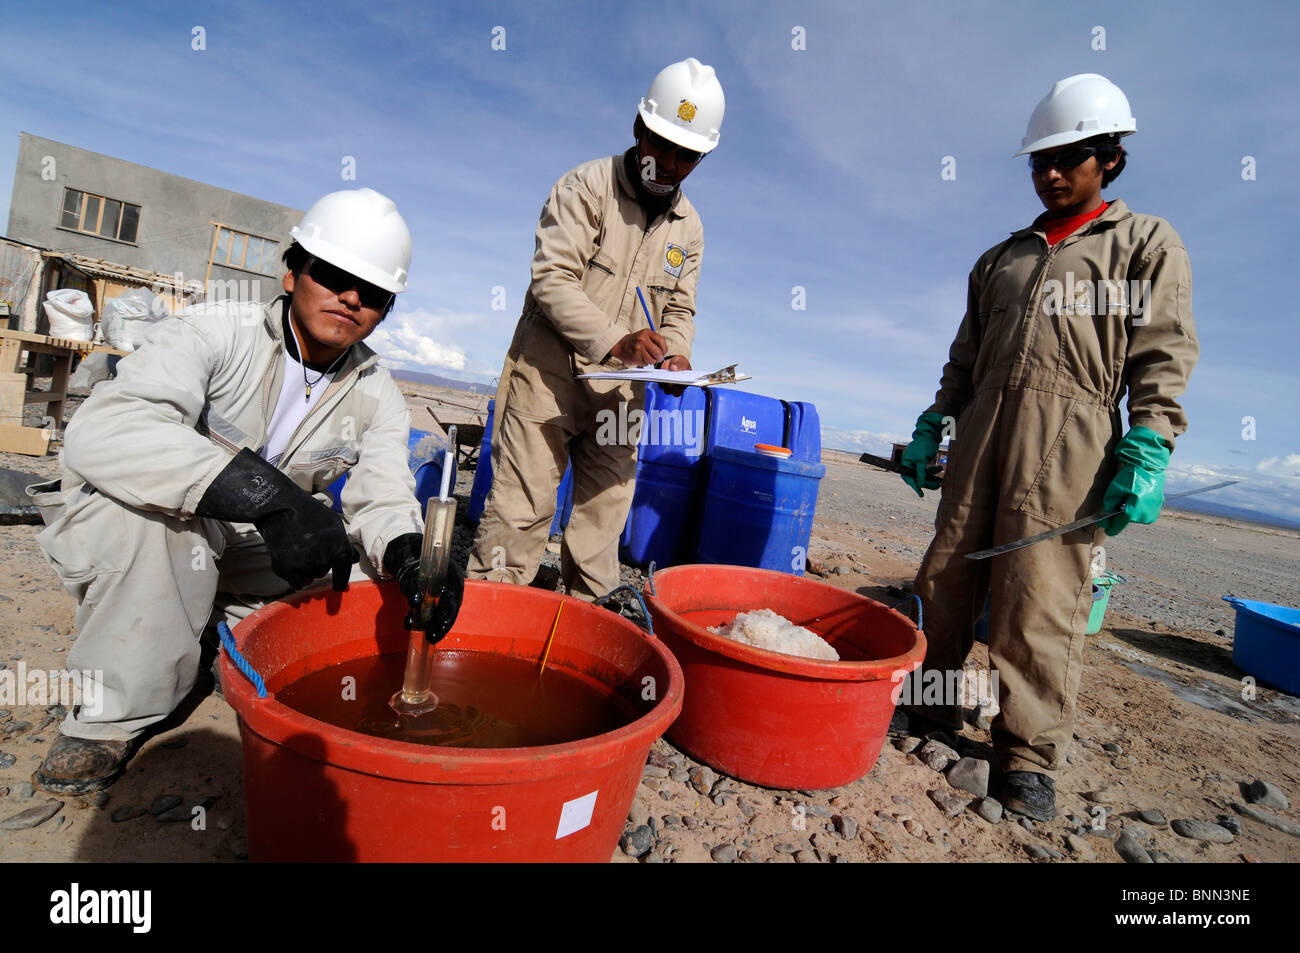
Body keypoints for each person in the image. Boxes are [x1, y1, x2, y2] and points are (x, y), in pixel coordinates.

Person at [33, 187, 463, 794]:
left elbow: (384, 493)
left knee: (376, 586)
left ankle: (217, 630)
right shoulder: (214, 332)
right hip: (179, 532)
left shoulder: (377, 391)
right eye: (335, 276)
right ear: (293, 272)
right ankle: (113, 716)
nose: (351, 298)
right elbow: (107, 430)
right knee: (145, 520)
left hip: (266, 552)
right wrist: (268, 497)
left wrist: (409, 553)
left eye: (373, 293)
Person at [899, 74, 1199, 821]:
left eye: (1069, 158)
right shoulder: (1002, 259)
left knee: (1041, 597)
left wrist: (1151, 440)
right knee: (945, 576)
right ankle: (932, 705)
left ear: (1110, 161)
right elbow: (964, 358)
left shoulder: (1143, 244)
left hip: (1073, 439)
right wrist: (936, 420)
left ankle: (1025, 754)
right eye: (1040, 161)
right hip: (981, 434)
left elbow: (1162, 353)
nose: (1051, 174)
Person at [467, 58, 724, 600]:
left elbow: (679, 309)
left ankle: (589, 633)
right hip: (548, 380)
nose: (670, 163)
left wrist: (675, 357)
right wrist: (616, 341)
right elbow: (552, 280)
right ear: (638, 127)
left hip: (621, 398)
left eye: (686, 155)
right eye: (661, 144)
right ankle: (489, 623)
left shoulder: (690, 229)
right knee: (520, 512)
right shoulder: (586, 187)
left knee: (601, 526)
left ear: (701, 158)